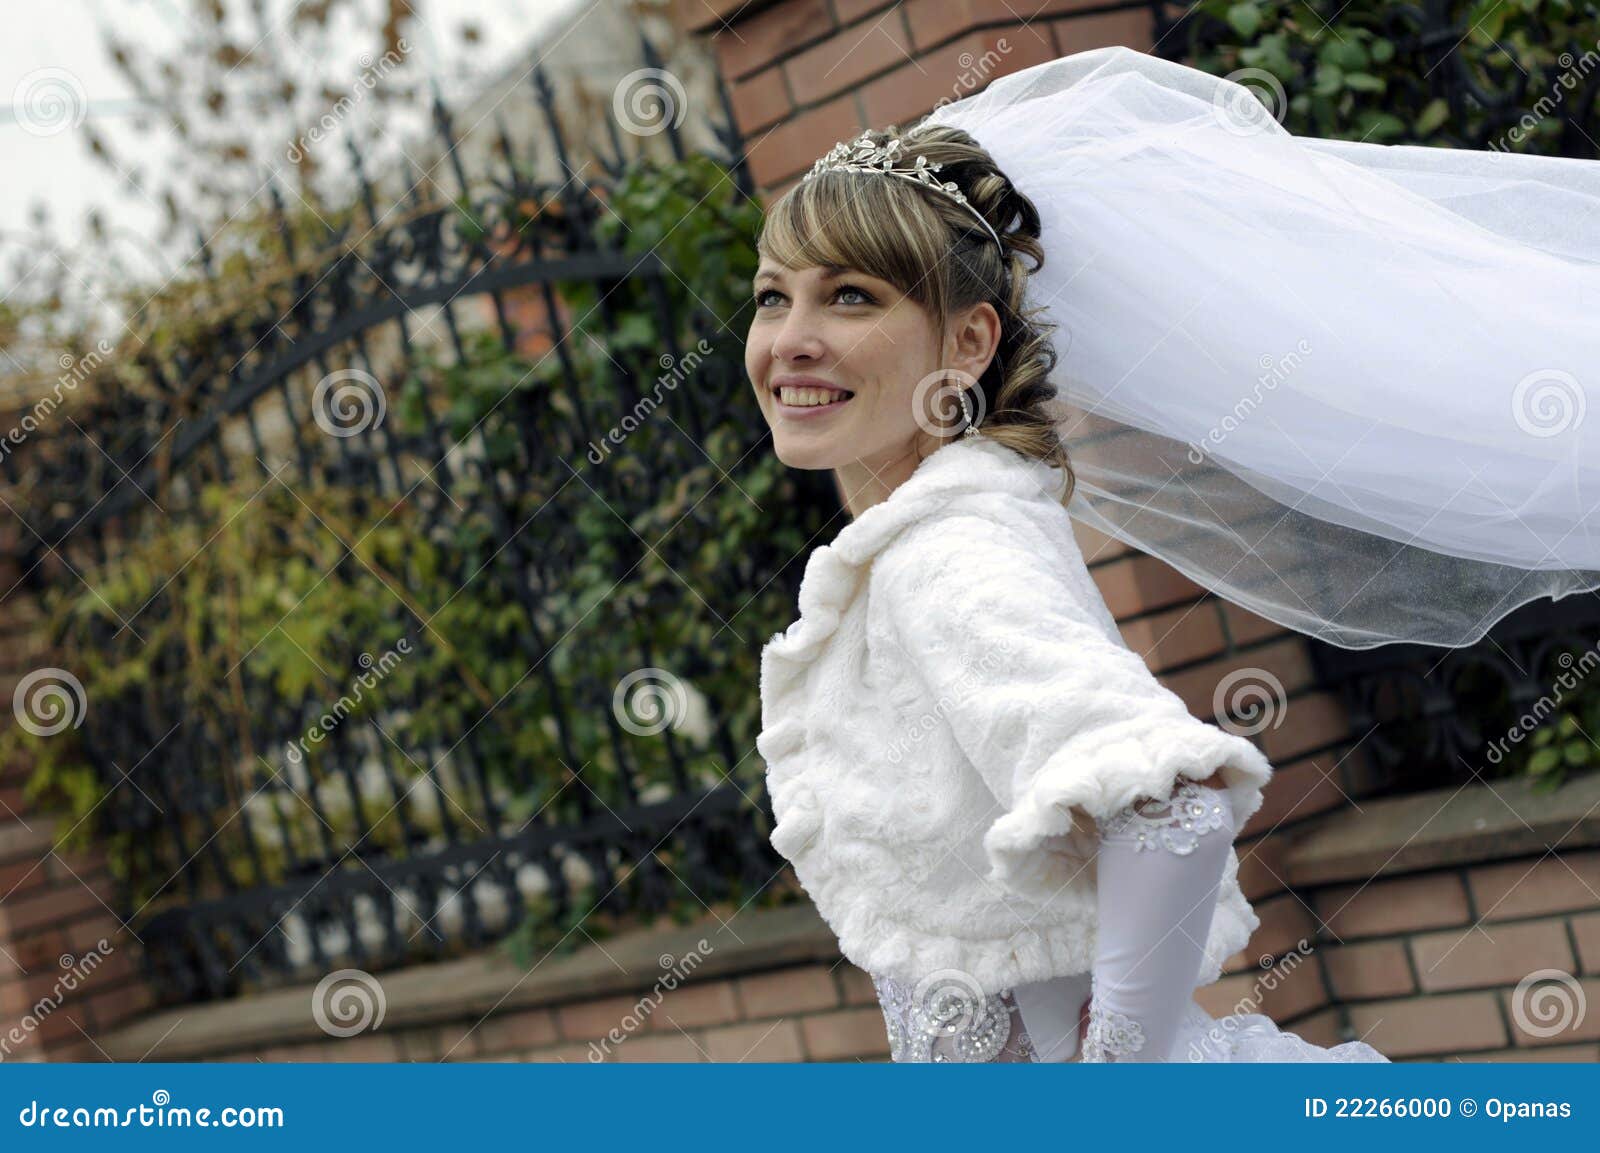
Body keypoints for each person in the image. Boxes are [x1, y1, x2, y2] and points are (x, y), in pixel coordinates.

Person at [746, 113, 1389, 1063]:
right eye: (771, 298)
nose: (790, 340)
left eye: (849, 296)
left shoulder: (946, 555)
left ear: (967, 342)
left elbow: (1175, 810)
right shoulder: (938, 535)